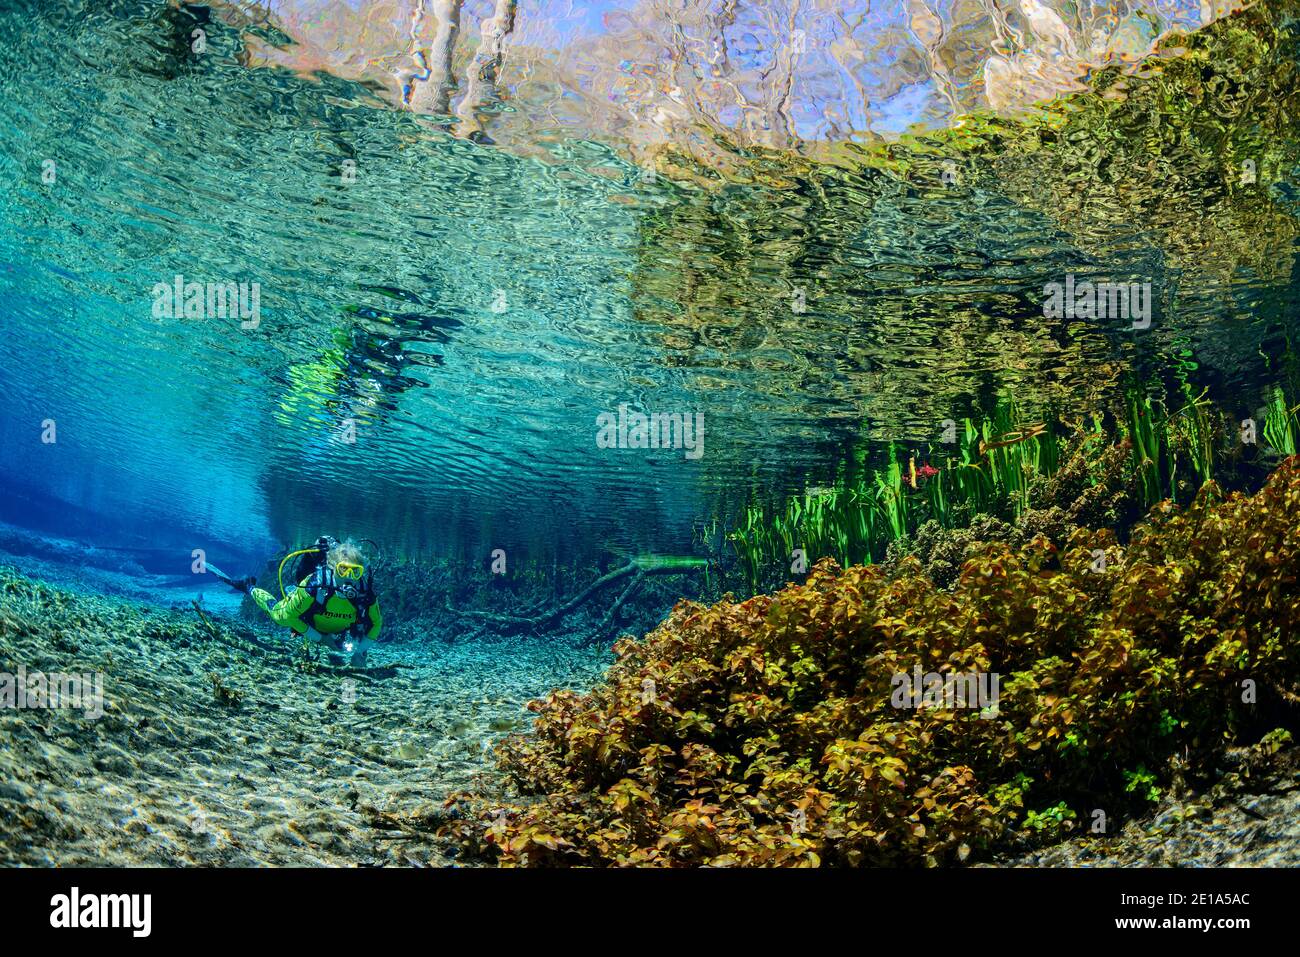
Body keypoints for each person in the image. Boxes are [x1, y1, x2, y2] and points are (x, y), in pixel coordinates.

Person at [240, 537, 384, 667]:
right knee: (279, 616)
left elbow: (376, 623)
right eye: (343, 570)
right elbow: (290, 617)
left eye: (355, 572)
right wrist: (321, 639)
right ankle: (249, 587)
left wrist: (360, 652)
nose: (349, 577)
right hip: (311, 622)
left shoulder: (365, 592)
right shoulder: (316, 584)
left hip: (338, 628)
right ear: (332, 566)